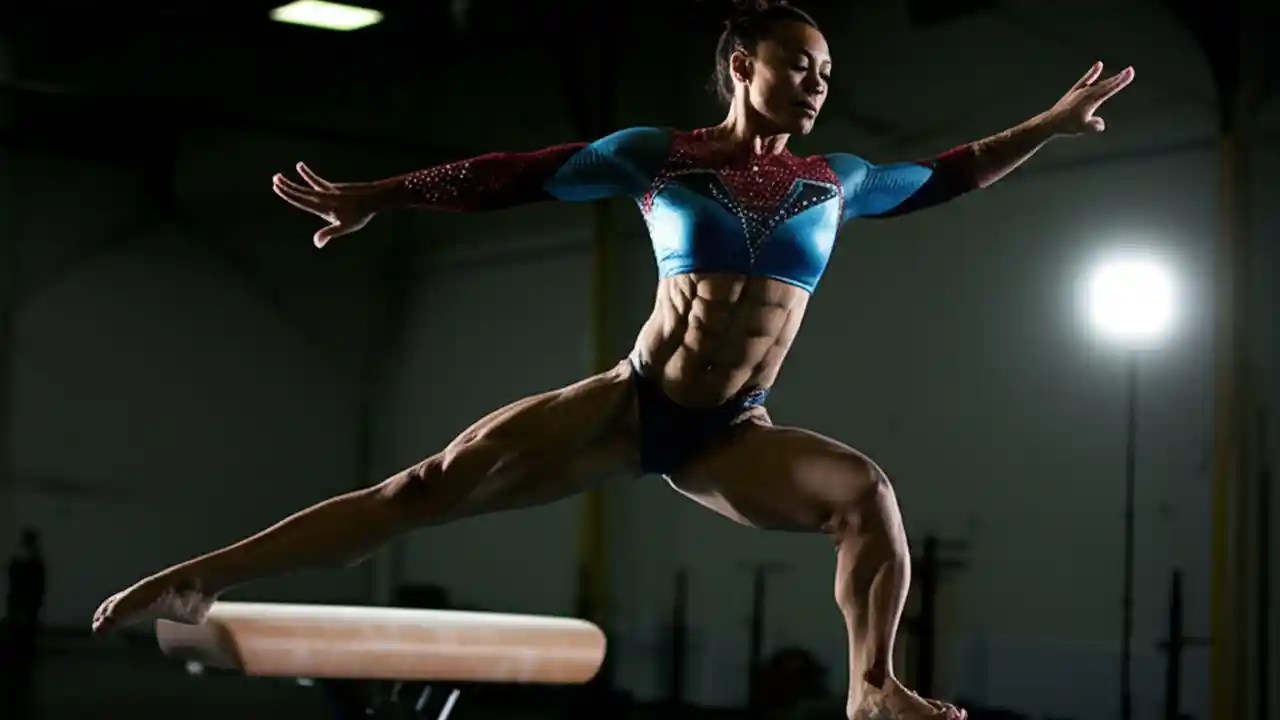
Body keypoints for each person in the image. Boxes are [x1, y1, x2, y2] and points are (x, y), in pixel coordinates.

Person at [90, 2, 1134, 718]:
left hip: (731, 433)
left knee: (866, 494)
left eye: (825, 73)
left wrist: (1044, 122)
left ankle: (870, 685)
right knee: (421, 489)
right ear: (740, 65)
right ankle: (201, 577)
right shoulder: (658, 156)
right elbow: (514, 175)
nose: (815, 85)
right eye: (796, 66)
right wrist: (380, 194)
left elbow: (949, 174)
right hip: (632, 404)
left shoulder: (839, 179)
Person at [5, 528, 46, 719]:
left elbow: (18, 587)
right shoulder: (34, 564)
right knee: (24, 641)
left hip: (23, 608)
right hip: (26, 608)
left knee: (21, 642)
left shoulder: (24, 564)